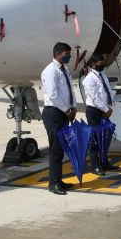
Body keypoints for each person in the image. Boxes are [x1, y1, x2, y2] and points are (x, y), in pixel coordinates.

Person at [40, 42, 77, 195]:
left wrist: (73, 107)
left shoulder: (64, 70)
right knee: (55, 150)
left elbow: (70, 91)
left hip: (64, 113)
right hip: (54, 113)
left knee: (61, 149)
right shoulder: (50, 71)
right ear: (57, 54)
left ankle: (58, 180)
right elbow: (53, 96)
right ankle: (53, 183)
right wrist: (67, 110)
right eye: (66, 54)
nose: (69, 57)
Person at [82, 53, 119, 174]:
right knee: (95, 139)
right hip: (94, 111)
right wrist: (106, 109)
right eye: (100, 63)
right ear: (93, 64)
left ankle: (104, 162)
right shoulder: (89, 79)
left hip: (104, 110)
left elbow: (108, 92)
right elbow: (95, 98)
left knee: (104, 137)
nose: (102, 65)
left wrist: (110, 106)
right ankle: (95, 166)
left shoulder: (103, 75)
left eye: (103, 62)